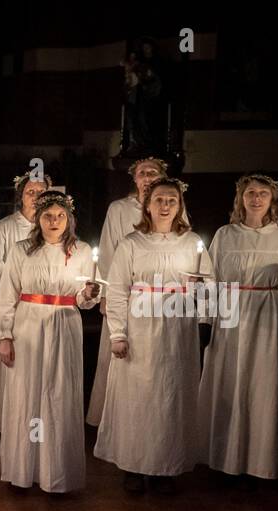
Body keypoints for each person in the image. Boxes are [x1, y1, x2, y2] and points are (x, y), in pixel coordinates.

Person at [94, 177, 213, 494]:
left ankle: (166, 468)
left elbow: (211, 290)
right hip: (140, 330)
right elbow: (118, 290)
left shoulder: (193, 243)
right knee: (139, 398)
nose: (165, 205)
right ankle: (134, 465)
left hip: (177, 333)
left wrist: (202, 294)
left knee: (170, 398)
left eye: (172, 200)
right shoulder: (132, 243)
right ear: (147, 204)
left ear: (180, 205)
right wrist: (117, 333)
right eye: (159, 199)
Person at [197, 174, 278, 484]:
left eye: (263, 194)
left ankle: (260, 461)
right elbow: (210, 281)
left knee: (262, 385)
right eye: (250, 193)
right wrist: (205, 320)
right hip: (230, 313)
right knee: (228, 381)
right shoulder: (225, 234)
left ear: (272, 200)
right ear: (240, 199)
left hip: (267, 315)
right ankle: (222, 458)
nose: (256, 198)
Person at [0, 191, 101, 494]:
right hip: (28, 325)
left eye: (60, 216)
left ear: (69, 220)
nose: (54, 221)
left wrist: (90, 295)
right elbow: (7, 296)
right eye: (47, 216)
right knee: (27, 394)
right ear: (37, 219)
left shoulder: (80, 251)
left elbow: (83, 298)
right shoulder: (21, 251)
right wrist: (6, 335)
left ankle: (56, 474)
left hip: (64, 324)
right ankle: (22, 471)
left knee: (59, 395)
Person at [86, 156, 167, 428]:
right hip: (125, 291)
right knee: (118, 355)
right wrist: (108, 295)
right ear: (134, 179)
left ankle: (146, 418)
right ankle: (114, 419)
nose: (148, 177)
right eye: (143, 173)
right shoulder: (119, 209)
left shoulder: (171, 206)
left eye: (153, 173)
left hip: (158, 297)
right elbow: (108, 251)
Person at [0, 170, 52, 431]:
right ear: (21, 196)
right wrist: (22, 282)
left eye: (41, 192)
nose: (35, 197)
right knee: (11, 365)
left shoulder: (55, 225)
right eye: (30, 192)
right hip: (13, 304)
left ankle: (40, 421)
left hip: (44, 307)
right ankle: (11, 424)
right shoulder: (5, 227)